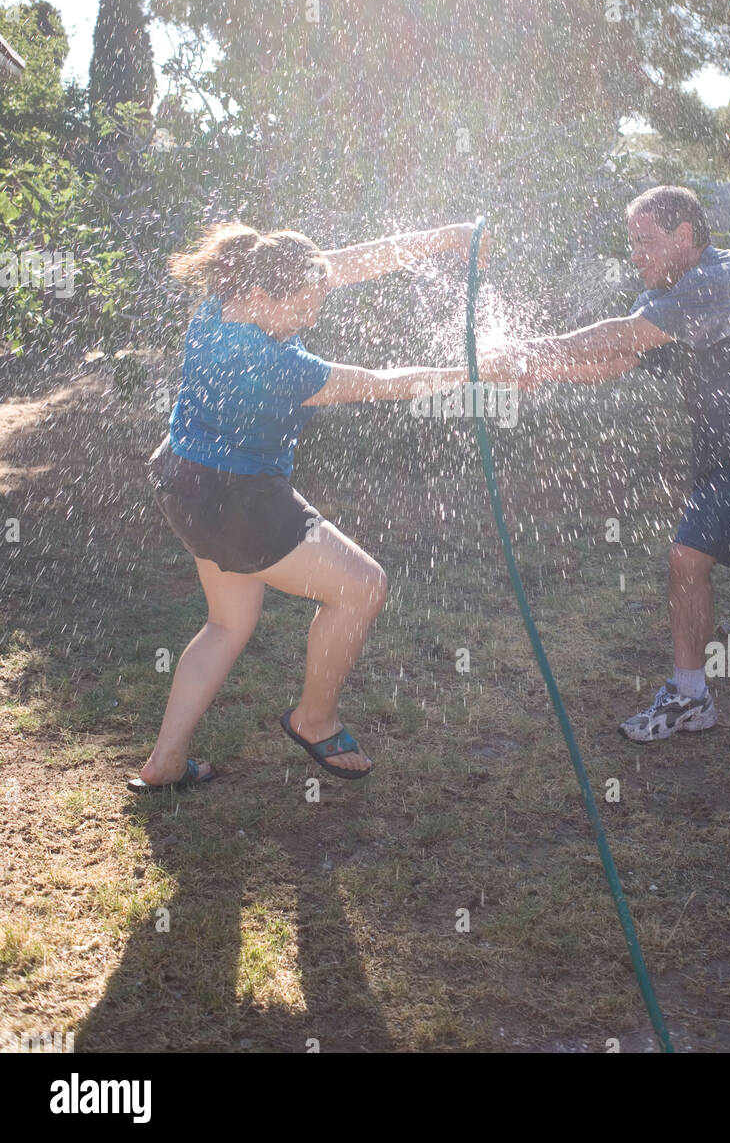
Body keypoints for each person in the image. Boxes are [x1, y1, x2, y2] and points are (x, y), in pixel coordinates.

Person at [132, 218, 508, 791]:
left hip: (181, 483)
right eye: (305, 308)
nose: (312, 318)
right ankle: (314, 720)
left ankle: (164, 762)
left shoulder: (226, 295)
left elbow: (353, 261)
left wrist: (449, 235)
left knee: (227, 622)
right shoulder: (275, 365)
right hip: (241, 505)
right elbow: (382, 382)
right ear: (263, 295)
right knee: (362, 586)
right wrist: (476, 374)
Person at [517, 185, 730, 768]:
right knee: (686, 561)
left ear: (684, 236)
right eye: (632, 243)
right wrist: (536, 373)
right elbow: (619, 359)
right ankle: (690, 697)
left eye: (645, 241)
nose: (635, 255)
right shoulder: (675, 290)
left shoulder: (720, 281)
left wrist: (526, 351)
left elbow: (621, 337)